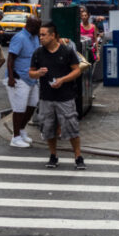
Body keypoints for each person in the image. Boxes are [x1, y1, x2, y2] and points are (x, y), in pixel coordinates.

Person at [30, 22, 85, 170]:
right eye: (39, 35)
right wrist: (38, 73)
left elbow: (77, 71)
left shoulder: (67, 51)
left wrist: (63, 80)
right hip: (46, 98)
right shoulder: (38, 53)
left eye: (43, 35)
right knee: (48, 128)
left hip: (65, 97)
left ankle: (78, 157)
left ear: (52, 35)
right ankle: (53, 155)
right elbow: (31, 72)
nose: (40, 38)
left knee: (72, 127)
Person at [6, 17, 42, 148]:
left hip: (32, 78)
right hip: (19, 77)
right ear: (31, 26)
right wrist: (11, 78)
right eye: (38, 27)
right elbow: (10, 59)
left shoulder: (35, 37)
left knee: (32, 105)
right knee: (19, 108)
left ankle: (21, 130)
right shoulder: (19, 38)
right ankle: (15, 137)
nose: (39, 30)